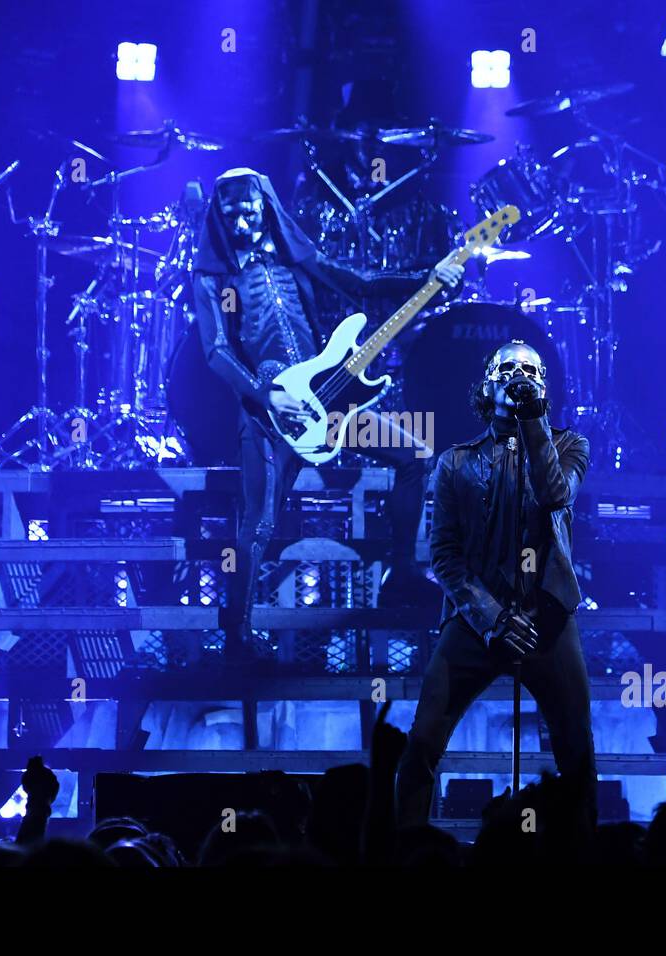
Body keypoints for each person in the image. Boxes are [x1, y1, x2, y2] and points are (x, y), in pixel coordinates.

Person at [191, 167, 464, 660]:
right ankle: (238, 632)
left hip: (326, 398)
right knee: (259, 520)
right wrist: (264, 393)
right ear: (218, 212)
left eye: (247, 202)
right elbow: (215, 350)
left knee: (413, 455)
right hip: (266, 412)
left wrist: (427, 278)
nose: (240, 213)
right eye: (228, 206)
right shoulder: (214, 277)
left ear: (264, 203)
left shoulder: (296, 259)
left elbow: (359, 283)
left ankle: (400, 576)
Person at [394, 340, 597, 826]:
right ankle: (405, 852)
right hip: (474, 620)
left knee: (577, 752)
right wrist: (492, 618)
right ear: (487, 384)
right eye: (507, 369)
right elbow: (444, 556)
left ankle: (583, 855)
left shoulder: (570, 446)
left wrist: (534, 421)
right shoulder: (454, 463)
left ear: (543, 386)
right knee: (421, 743)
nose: (517, 376)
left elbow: (554, 496)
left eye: (529, 370)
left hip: (547, 619)